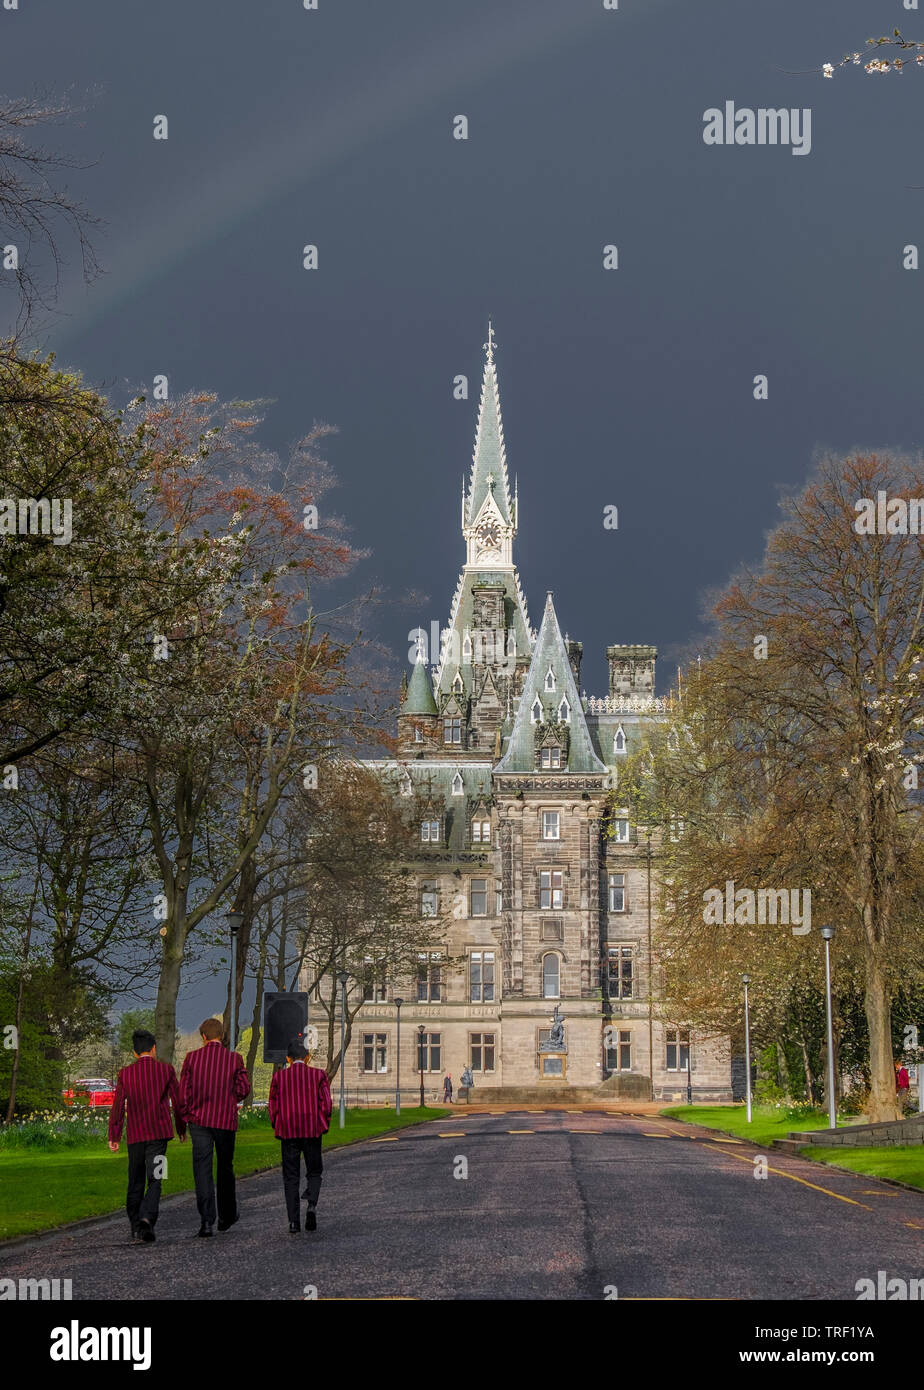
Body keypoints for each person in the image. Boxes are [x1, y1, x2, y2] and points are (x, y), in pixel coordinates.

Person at [107, 1029, 186, 1244]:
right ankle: (147, 1218)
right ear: (153, 1049)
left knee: (135, 1180)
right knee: (157, 1177)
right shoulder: (166, 1071)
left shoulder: (125, 1074)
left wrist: (114, 1134)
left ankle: (136, 1225)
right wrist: (181, 1128)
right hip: (159, 1136)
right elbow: (178, 1103)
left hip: (135, 1136)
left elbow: (117, 1106)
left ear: (134, 1052)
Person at [179, 1017, 250, 1237]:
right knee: (225, 1168)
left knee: (202, 1169)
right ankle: (226, 1216)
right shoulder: (234, 1059)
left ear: (203, 1037)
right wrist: (230, 1098)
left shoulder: (192, 1059)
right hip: (225, 1120)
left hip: (199, 1120)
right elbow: (244, 1088)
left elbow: (184, 1093)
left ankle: (206, 1220)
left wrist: (185, 1118)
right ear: (221, 1036)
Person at [268, 1039, 332, 1233]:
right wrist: (323, 1124)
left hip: (288, 1131)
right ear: (307, 1057)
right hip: (312, 1129)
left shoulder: (279, 1078)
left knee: (291, 1176)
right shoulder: (318, 1075)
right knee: (314, 1170)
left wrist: (277, 1124)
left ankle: (293, 1221)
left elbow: (273, 1106)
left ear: (288, 1059)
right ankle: (311, 1204)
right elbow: (326, 1104)